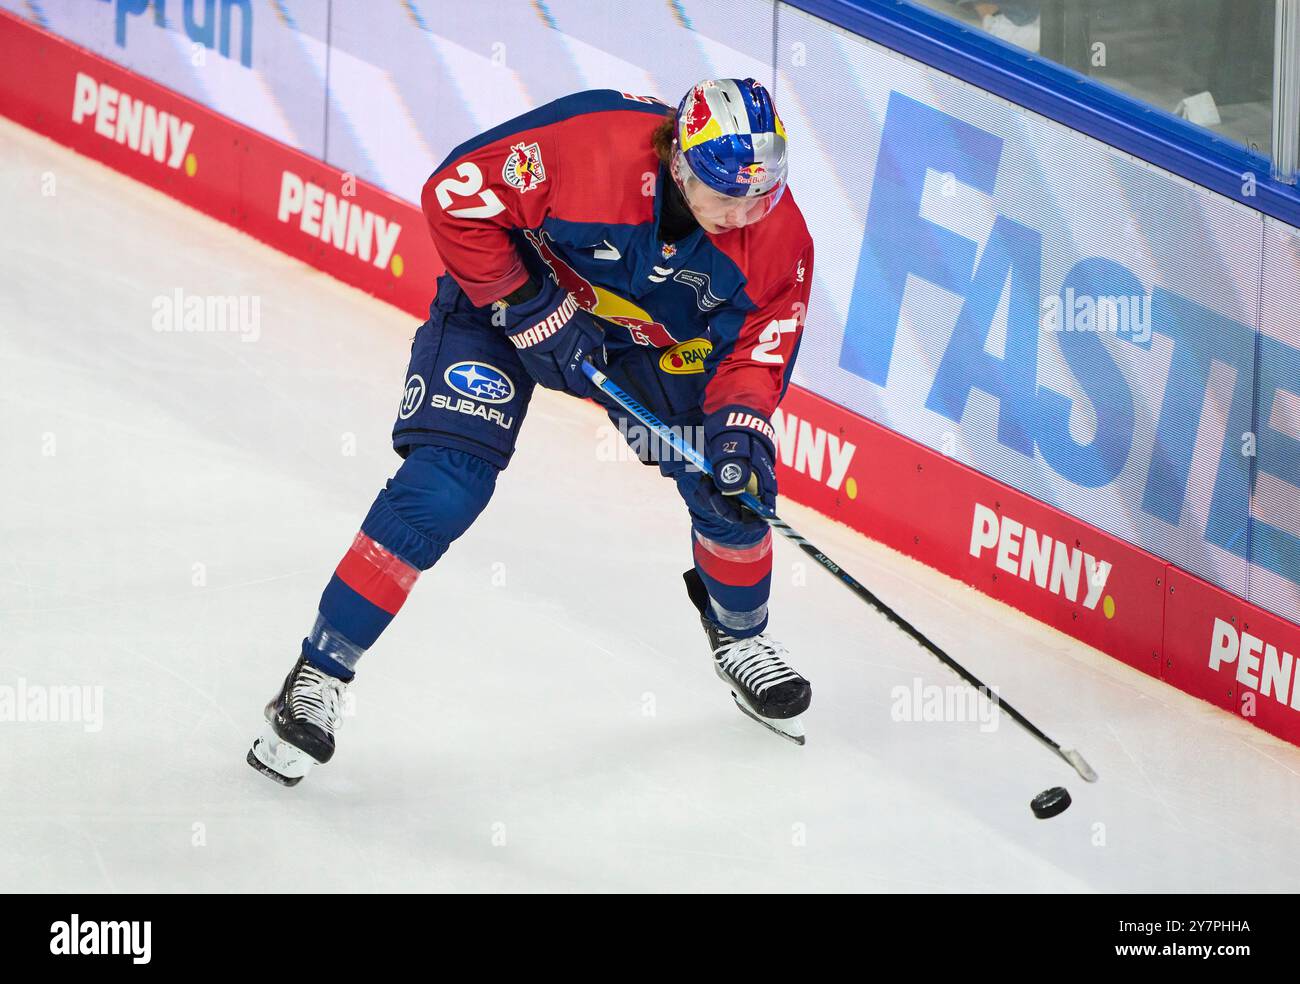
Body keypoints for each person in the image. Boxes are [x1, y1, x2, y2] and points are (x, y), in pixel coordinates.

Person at [248, 78, 816, 786]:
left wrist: (739, 431)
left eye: (759, 196)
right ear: (679, 163)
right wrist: (526, 304)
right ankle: (319, 674)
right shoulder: (587, 147)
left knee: (733, 487)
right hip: (511, 300)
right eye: (725, 193)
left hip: (646, 340)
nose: (744, 213)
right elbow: (454, 195)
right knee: (443, 487)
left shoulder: (778, 234)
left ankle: (741, 640)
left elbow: (758, 347)